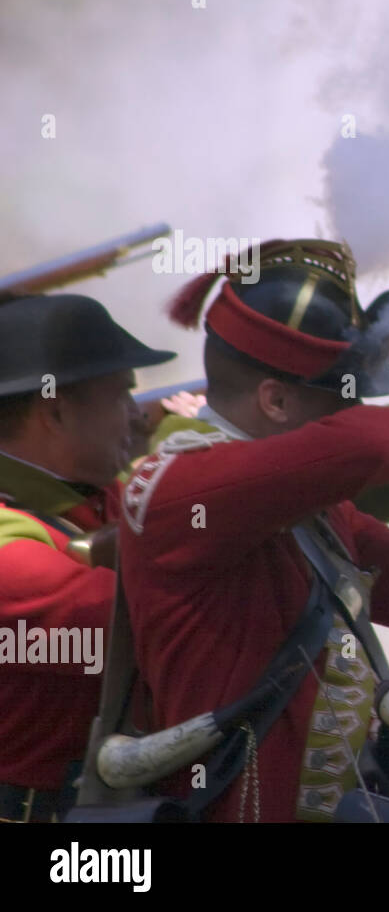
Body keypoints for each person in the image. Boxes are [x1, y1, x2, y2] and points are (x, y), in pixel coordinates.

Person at [115, 239, 389, 821]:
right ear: (276, 400)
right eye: (341, 401)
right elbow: (370, 442)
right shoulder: (178, 485)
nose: (350, 415)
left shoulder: (312, 509)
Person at [0, 292, 174, 821]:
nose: (137, 411)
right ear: (53, 410)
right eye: (121, 394)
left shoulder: (95, 496)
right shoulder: (10, 554)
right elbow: (158, 620)